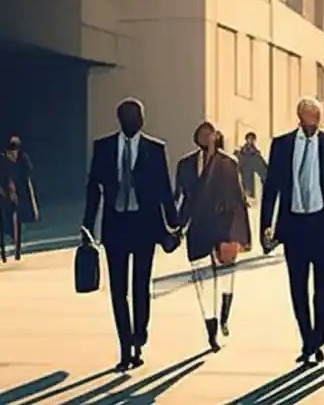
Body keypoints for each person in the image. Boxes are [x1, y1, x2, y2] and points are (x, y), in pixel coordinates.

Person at [81, 98, 179, 372]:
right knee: (118, 290)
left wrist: (173, 224)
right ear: (121, 120)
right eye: (129, 117)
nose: (135, 121)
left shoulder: (155, 149)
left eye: (138, 117)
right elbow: (94, 189)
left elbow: (164, 190)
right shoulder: (103, 148)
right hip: (116, 226)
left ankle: (140, 334)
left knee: (140, 286)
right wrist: (87, 227)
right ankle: (126, 346)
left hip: (144, 225)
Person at [260, 96, 324, 366]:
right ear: (300, 117)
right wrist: (267, 225)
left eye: (316, 117)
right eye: (309, 117)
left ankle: (319, 337)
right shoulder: (282, 145)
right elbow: (271, 189)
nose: (313, 122)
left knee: (323, 287)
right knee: (297, 287)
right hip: (294, 226)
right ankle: (307, 339)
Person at [175, 122, 252, 352]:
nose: (206, 137)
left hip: (223, 227)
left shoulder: (228, 163)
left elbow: (238, 200)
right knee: (203, 281)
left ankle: (225, 314)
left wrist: (243, 236)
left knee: (226, 276)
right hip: (197, 227)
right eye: (201, 134)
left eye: (210, 134)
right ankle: (212, 330)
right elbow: (180, 198)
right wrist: (175, 227)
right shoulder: (186, 165)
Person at [235, 133, 267, 201]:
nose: (251, 141)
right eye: (249, 139)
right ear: (246, 140)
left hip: (250, 186)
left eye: (252, 139)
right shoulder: (241, 153)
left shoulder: (255, 155)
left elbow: (263, 170)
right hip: (242, 183)